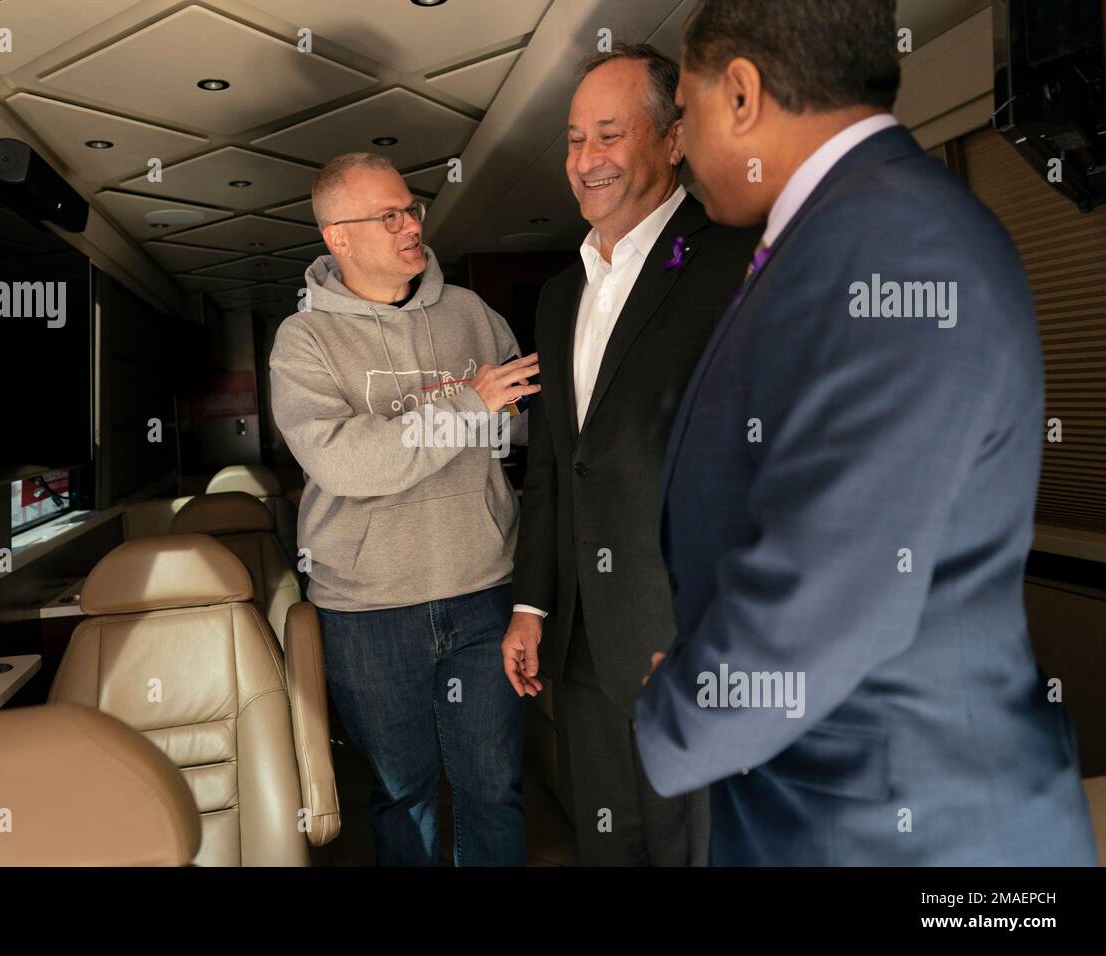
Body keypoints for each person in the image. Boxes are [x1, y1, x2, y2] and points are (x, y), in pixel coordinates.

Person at [636, 0, 1098, 865]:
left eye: (684, 113)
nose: (683, 145)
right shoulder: (843, 232)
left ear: (740, 95)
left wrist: (678, 708)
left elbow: (831, 588)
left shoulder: (894, 241)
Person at [501, 43, 759, 865]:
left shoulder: (738, 258)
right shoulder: (556, 296)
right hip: (581, 650)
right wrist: (532, 604)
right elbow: (552, 466)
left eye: (609, 135)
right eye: (575, 141)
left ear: (673, 140)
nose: (586, 161)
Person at [270, 152, 538, 866]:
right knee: (402, 795)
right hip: (367, 610)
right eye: (385, 216)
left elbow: (519, 428)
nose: (408, 226)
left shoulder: (472, 314)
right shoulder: (304, 341)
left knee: (494, 790)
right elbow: (345, 463)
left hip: (484, 591)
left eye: (410, 209)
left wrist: (482, 416)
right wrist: (468, 404)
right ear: (339, 238)